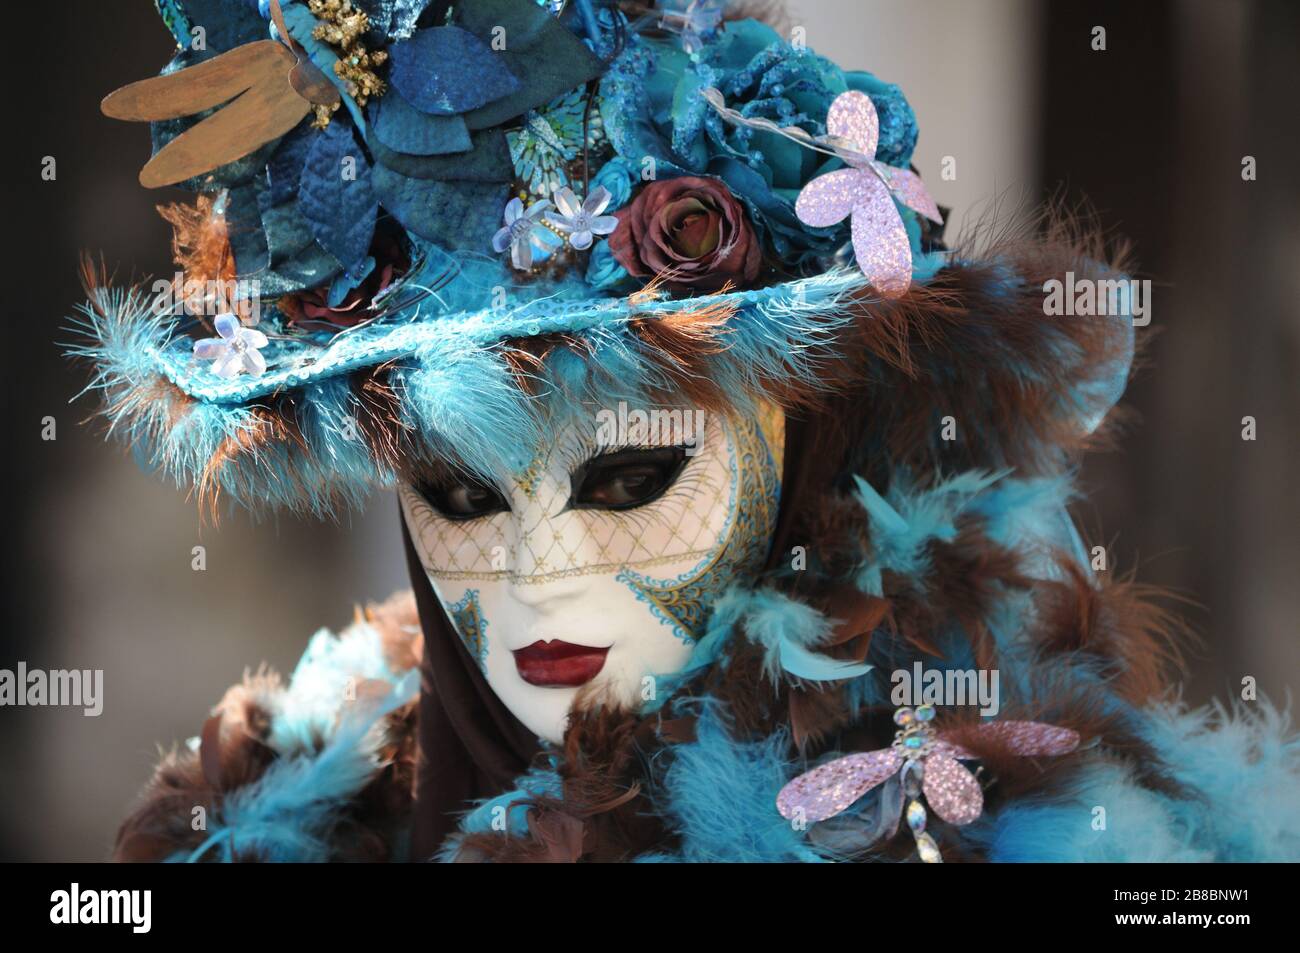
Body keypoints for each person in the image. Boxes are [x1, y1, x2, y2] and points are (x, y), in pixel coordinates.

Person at [74, 0, 1298, 862]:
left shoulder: (995, 825)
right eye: (459, 495)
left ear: (808, 453)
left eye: (628, 475)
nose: (533, 569)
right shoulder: (285, 817)